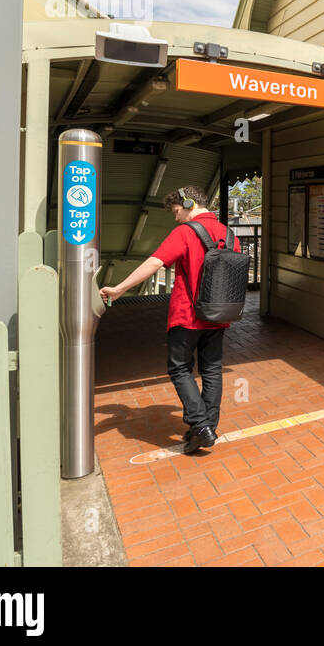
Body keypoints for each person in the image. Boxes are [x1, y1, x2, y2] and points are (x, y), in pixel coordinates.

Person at [99, 186, 241, 453]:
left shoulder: (186, 232)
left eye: (177, 212)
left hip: (187, 315)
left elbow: (154, 262)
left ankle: (200, 426)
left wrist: (119, 289)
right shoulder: (230, 234)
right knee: (211, 369)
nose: (176, 218)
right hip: (219, 313)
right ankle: (208, 424)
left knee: (179, 368)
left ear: (188, 204)